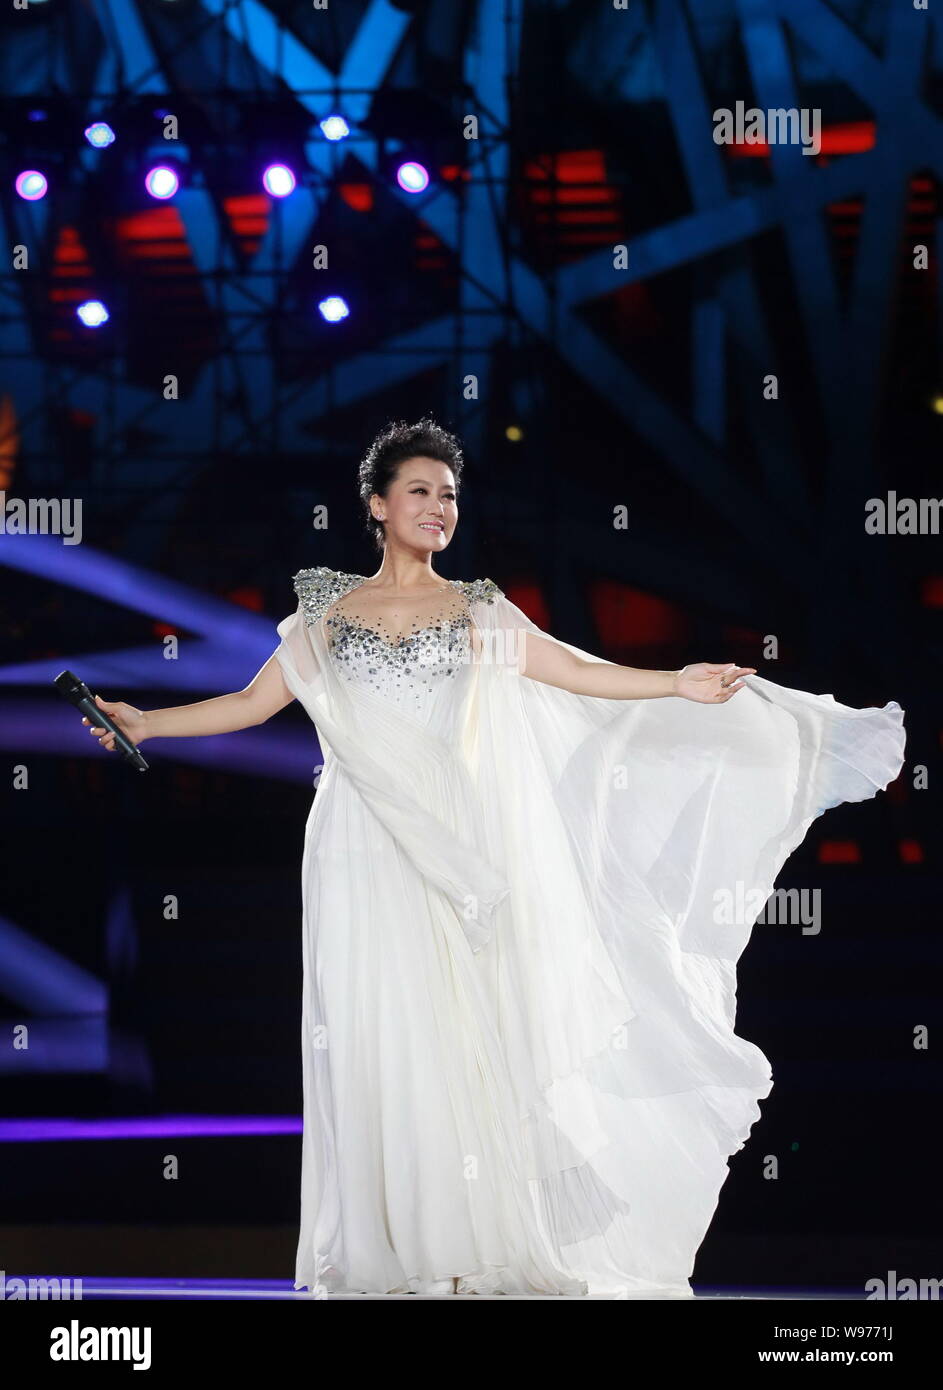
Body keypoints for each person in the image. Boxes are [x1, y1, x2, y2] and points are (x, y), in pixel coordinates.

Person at [82, 418, 906, 1299]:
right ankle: (393, 1244)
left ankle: (472, 1244)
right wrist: (147, 721)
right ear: (376, 504)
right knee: (374, 1038)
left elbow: (574, 673)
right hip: (358, 847)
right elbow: (250, 704)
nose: (438, 508)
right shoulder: (322, 614)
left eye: (448, 495)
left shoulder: (478, 607)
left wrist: (675, 682)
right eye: (419, 492)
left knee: (462, 1032)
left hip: (458, 843)